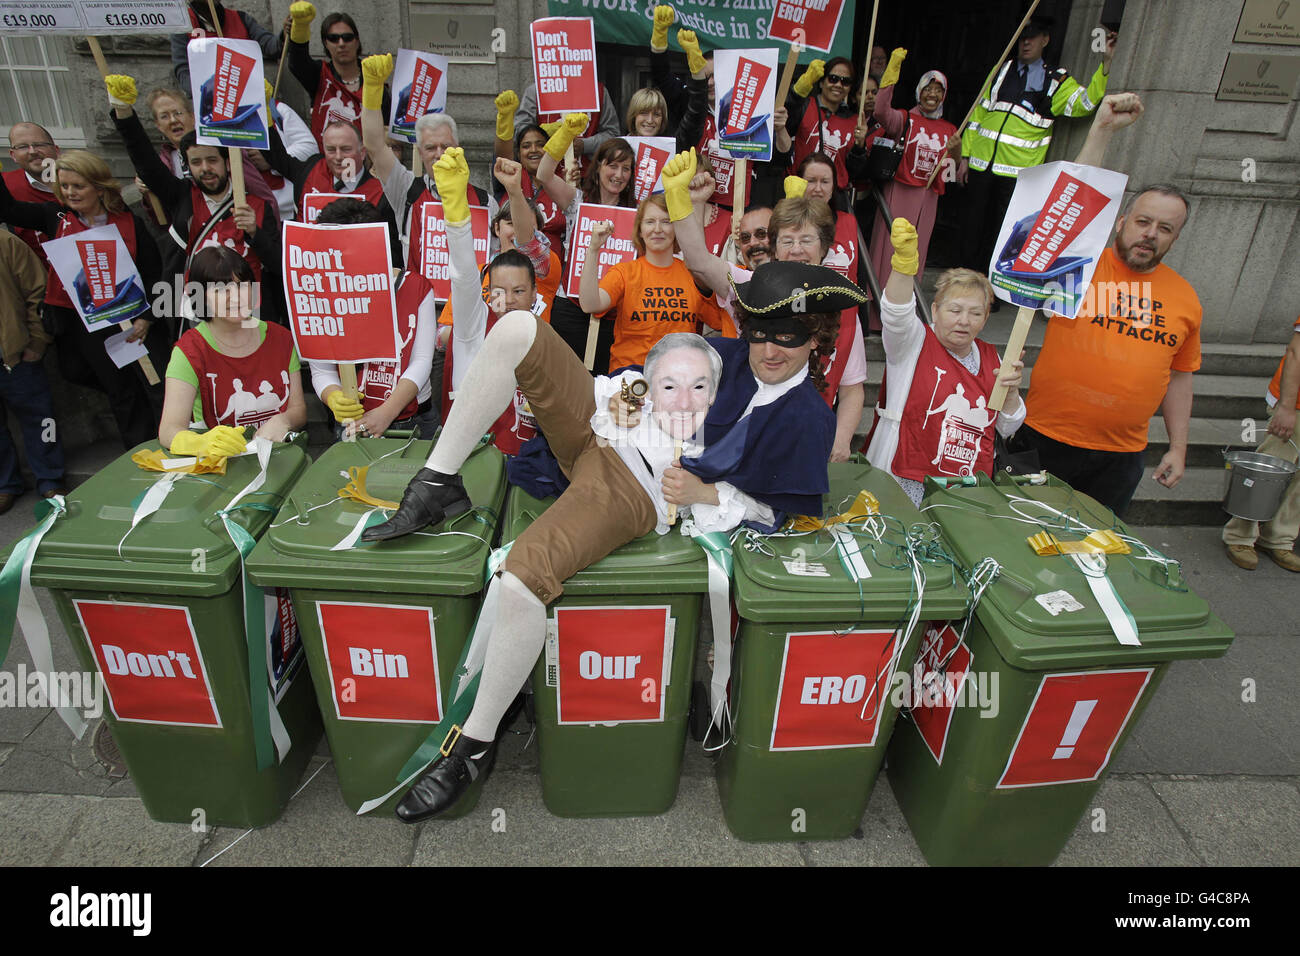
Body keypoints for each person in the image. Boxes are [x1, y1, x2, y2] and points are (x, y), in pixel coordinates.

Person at [359, 258, 858, 822]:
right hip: (600, 430)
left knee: (523, 576)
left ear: (816, 338)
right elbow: (659, 372)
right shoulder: (730, 353)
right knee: (519, 327)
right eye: (760, 333)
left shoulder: (809, 419)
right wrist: (628, 400)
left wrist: (704, 494)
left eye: (788, 339)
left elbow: (780, 511)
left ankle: (473, 744)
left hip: (630, 488)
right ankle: (436, 483)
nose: (769, 351)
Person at [1006, 93, 1197, 518]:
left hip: (1121, 457)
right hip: (1044, 439)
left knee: (1095, 554)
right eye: (1143, 221)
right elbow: (1069, 200)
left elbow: (1180, 379)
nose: (1150, 234)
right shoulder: (1079, 260)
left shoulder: (1186, 298)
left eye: (1165, 228)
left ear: (1175, 238)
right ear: (1122, 221)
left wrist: (1179, 448)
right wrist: (1102, 130)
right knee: (1017, 538)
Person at [669, 150, 871, 462]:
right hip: (746, 436)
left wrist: (841, 441)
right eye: (787, 241)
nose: (797, 250)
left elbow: (853, 388)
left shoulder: (844, 310)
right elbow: (697, 260)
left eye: (806, 240)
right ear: (774, 248)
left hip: (809, 440)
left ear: (825, 248)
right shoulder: (751, 286)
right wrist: (683, 201)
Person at [0, 150, 170, 450]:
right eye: (64, 186)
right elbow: (6, 208)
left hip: (135, 321)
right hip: (87, 325)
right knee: (119, 391)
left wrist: (147, 319)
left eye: (77, 186)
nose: (69, 193)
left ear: (99, 187)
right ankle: (140, 451)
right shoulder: (55, 217)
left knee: (156, 385)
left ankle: (170, 444)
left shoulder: (130, 222)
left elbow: (155, 274)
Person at [864, 217, 1025, 505]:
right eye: (955, 310)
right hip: (904, 476)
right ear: (935, 310)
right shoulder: (912, 342)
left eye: (975, 313)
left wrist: (1011, 393)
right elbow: (896, 313)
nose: (964, 321)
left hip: (962, 486)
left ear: (986, 318)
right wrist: (903, 266)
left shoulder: (991, 357)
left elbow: (1006, 427)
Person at [959, 15, 1115, 272]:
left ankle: (991, 287)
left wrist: (1106, 65)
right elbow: (979, 113)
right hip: (980, 165)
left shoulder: (1055, 80)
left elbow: (1085, 103)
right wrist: (965, 155)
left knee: (1003, 234)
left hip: (1018, 174)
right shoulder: (1001, 70)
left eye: (1032, 38)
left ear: (1045, 40)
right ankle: (963, 279)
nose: (1026, 43)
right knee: (971, 227)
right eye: (1023, 38)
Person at [436, 153, 563, 455]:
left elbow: (528, 244)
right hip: (472, 434)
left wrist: (516, 192)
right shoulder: (477, 290)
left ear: (533, 293)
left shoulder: (546, 268)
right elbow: (460, 280)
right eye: (499, 291)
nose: (507, 299)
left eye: (518, 290)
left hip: (525, 417)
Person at [308, 198, 437, 441]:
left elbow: (421, 361)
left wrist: (387, 412)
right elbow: (321, 368)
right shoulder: (319, 292)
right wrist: (333, 397)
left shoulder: (414, 287)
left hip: (414, 419)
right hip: (352, 423)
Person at [160, 246, 305, 456]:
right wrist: (200, 443)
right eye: (219, 289)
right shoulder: (190, 350)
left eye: (241, 286)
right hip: (223, 465)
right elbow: (168, 430)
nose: (235, 297)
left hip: (283, 458)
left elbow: (299, 410)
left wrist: (284, 419)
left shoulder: (280, 338)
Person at [359, 54, 497, 275]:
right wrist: (373, 89)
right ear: (420, 152)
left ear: (458, 147)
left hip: (464, 303)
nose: (439, 154)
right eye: (431, 148)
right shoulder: (405, 189)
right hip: (420, 302)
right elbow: (374, 144)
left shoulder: (484, 201)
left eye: (446, 146)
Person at [579, 193, 729, 371]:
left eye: (666, 221)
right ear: (640, 230)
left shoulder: (693, 273)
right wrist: (593, 249)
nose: (657, 229)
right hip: (631, 379)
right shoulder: (624, 272)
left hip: (679, 378)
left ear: (676, 229)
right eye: (650, 221)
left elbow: (720, 322)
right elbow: (590, 305)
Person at [107, 79, 284, 229]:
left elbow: (264, 199)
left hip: (234, 235)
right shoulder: (164, 163)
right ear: (158, 125)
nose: (173, 120)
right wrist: (124, 112)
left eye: (177, 113)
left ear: (192, 116)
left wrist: (266, 234)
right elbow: (162, 217)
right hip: (192, 242)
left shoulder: (225, 148)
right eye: (164, 116)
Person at [532, 118, 637, 367]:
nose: (619, 175)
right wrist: (565, 135)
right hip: (569, 307)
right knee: (567, 384)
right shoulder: (577, 201)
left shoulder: (637, 213)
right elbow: (543, 173)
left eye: (626, 168)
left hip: (612, 313)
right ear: (599, 166)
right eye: (613, 166)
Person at [866, 51, 959, 323]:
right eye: (927, 88)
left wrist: (958, 150)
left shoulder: (951, 128)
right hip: (899, 192)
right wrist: (890, 75)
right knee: (887, 253)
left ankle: (905, 314)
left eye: (938, 90)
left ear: (944, 96)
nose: (932, 94)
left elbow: (951, 177)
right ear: (919, 91)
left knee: (913, 257)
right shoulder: (904, 119)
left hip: (927, 200)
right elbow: (881, 111)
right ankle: (876, 316)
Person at [1223, 321, 1300, 572]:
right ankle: (1240, 537)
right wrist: (1287, 407)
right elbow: (1295, 352)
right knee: (1267, 471)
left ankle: (1278, 538)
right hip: (1296, 404)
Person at [0, 230, 64, 512]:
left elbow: (38, 291)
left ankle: (50, 477)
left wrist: (38, 341)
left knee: (41, 419)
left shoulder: (6, 243)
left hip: (15, 353)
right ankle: (5, 484)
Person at [285, 3, 391, 149]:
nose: (341, 44)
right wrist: (300, 27)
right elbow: (297, 63)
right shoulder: (319, 75)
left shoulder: (374, 78)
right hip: (326, 163)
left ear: (357, 40)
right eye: (334, 38)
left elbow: (386, 131)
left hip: (366, 165)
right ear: (325, 43)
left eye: (347, 37)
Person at [491, 111, 567, 260]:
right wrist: (505, 123)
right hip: (511, 265)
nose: (533, 150)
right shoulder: (511, 177)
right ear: (518, 154)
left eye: (540, 145)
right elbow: (502, 156)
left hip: (552, 272)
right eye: (526, 146)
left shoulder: (561, 181)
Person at [786, 57, 860, 198]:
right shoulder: (805, 105)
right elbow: (783, 121)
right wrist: (798, 91)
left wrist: (860, 148)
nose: (838, 84)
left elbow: (853, 171)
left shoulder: (855, 121)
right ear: (821, 82)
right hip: (799, 193)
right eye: (833, 78)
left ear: (850, 88)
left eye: (845, 81)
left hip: (833, 197)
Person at [171, 1, 283, 91]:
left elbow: (272, 47)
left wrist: (287, 33)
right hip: (208, 104)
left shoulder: (241, 19)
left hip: (248, 97)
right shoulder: (183, 26)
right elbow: (184, 73)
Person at [4, 122, 59, 265]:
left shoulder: (81, 180)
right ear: (13, 155)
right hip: (38, 281)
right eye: (22, 147)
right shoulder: (6, 185)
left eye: (39, 144)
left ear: (56, 149)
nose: (32, 151)